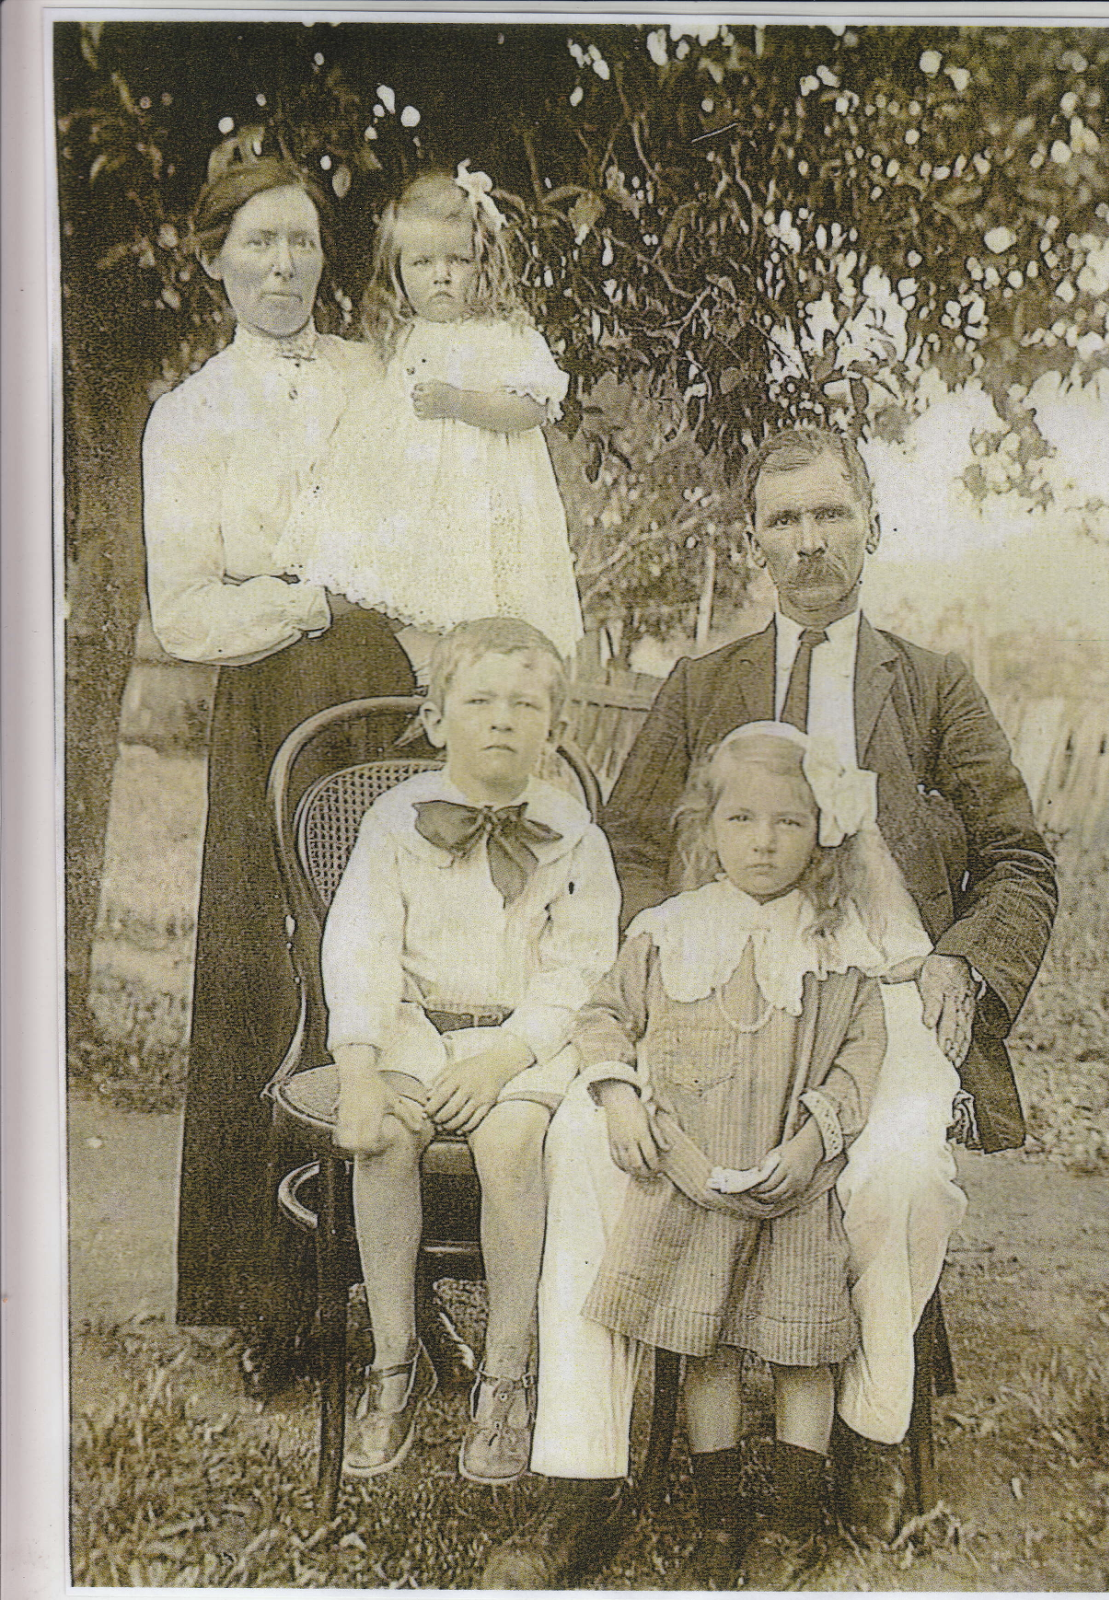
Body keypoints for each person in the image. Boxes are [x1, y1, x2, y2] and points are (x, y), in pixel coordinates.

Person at [484, 424, 1058, 1586]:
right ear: (754, 541)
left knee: (894, 1171)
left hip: (882, 998)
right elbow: (632, 845)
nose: (808, 541)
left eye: (829, 514)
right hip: (710, 1001)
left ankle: (866, 1434)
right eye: (783, 520)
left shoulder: (932, 686)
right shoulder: (703, 686)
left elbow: (1020, 862)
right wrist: (667, 959)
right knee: (590, 1145)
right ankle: (580, 1473)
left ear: (873, 526)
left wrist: (961, 964)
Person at [143, 156, 416, 1394]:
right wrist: (304, 598)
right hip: (271, 695)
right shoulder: (189, 415)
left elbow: (430, 519)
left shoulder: (375, 378)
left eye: (302, 242)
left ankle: (400, 1282)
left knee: (393, 952)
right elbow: (187, 611)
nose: (283, 265)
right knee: (275, 970)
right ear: (213, 258)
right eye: (257, 242)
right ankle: (271, 1298)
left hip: (386, 688)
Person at [321, 618, 619, 1484]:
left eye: (524, 705)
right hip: (413, 1028)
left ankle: (507, 1373)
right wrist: (359, 1067)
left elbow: (580, 971)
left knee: (510, 1142)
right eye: (478, 700)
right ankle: (391, 1362)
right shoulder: (393, 823)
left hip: (527, 1042)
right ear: (437, 716)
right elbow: (361, 947)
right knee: (380, 1138)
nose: (500, 720)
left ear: (553, 727)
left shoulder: (574, 838)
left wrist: (503, 1058)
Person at [273, 164, 584, 665]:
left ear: (484, 264)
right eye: (421, 263)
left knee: (475, 596)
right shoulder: (404, 337)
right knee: (405, 595)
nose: (441, 275)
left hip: (478, 493)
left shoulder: (504, 334)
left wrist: (461, 403)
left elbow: (531, 408)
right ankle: (413, 671)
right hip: (413, 496)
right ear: (397, 273)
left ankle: (454, 673)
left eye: (458, 260)